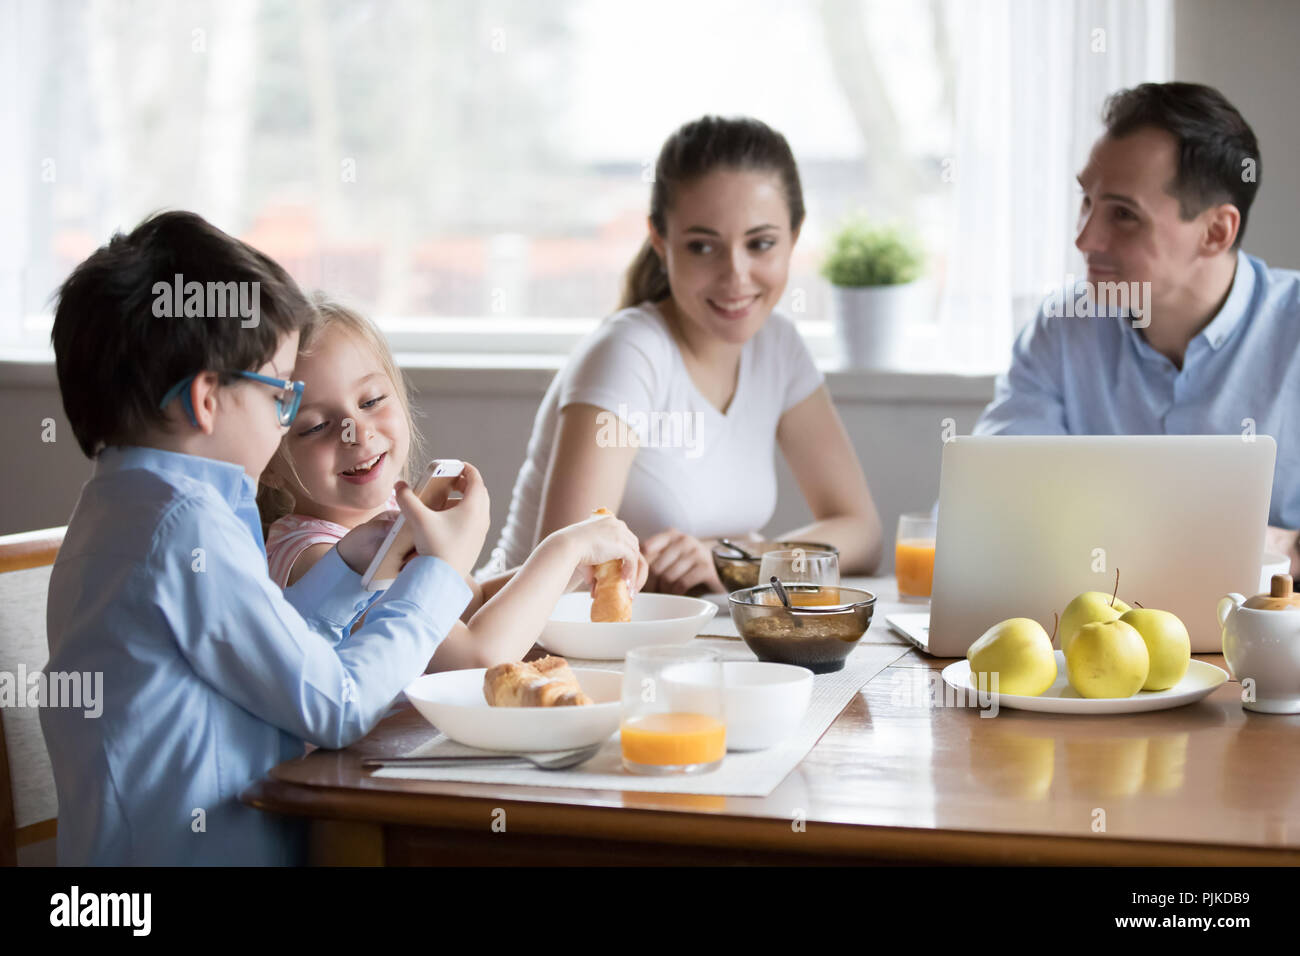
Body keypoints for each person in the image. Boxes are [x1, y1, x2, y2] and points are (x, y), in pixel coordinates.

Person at [40, 211, 487, 865]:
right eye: (282, 396)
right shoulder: (183, 526)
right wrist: (441, 572)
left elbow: (254, 654)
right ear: (207, 401)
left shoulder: (124, 504)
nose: (285, 422)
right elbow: (334, 706)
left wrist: (350, 563)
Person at [493, 115, 884, 594]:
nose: (736, 275)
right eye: (703, 247)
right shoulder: (629, 354)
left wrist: (736, 559)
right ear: (661, 241)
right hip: (520, 652)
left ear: (795, 237)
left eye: (760, 243)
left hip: (669, 644)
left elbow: (861, 531)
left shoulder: (778, 347)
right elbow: (563, 583)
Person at [972, 82, 1300, 574]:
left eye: (1123, 215)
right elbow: (994, 507)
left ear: (1215, 232)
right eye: (1087, 201)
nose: (1084, 239)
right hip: (1091, 631)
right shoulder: (1061, 331)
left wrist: (1290, 549)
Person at [258, 297, 648, 667]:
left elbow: (472, 602)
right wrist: (564, 548)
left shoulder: (396, 519)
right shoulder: (313, 560)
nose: (355, 433)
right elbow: (474, 657)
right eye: (317, 426)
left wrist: (577, 568)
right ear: (268, 461)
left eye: (371, 401)